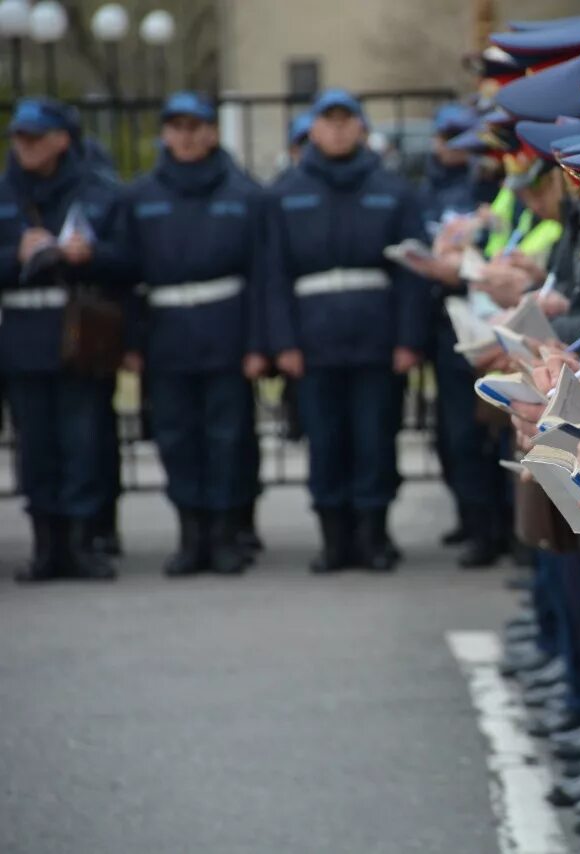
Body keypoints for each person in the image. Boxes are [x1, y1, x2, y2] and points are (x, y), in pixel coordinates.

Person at [263, 88, 426, 573]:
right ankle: (334, 540)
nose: (336, 129)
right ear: (312, 129)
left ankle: (373, 536)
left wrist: (408, 339)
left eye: (346, 120)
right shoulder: (285, 193)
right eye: (327, 121)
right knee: (325, 440)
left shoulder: (393, 190)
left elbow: (411, 273)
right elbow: (272, 276)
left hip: (376, 339)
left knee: (375, 439)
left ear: (361, 127)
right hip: (313, 342)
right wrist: (284, 343)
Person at [123, 92, 268, 577]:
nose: (186, 136)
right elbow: (126, 276)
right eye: (176, 126)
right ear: (165, 133)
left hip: (225, 330)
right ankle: (191, 536)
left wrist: (256, 344)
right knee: (177, 438)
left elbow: (262, 276)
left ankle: (226, 535)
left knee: (228, 438)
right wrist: (131, 342)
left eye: (195, 126)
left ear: (211, 131)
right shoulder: (141, 197)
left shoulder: (243, 194)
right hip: (167, 336)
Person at [0, 97, 133, 582]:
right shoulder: (4, 193)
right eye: (19, 137)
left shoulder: (99, 193)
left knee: (82, 443)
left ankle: (82, 542)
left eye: (36, 136)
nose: (25, 146)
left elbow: (131, 262)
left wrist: (90, 256)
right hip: (23, 335)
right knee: (36, 447)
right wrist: (17, 256)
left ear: (61, 140)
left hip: (81, 334)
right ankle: (45, 546)